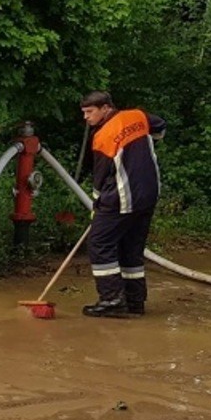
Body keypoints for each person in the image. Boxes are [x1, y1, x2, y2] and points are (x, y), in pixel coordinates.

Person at [80, 90, 166, 318]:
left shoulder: (103, 136)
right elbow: (160, 127)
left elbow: (100, 178)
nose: (86, 118)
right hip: (148, 195)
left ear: (105, 108)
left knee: (99, 243)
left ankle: (112, 300)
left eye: (90, 112)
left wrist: (96, 207)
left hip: (121, 198)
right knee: (131, 249)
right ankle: (135, 302)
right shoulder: (137, 116)